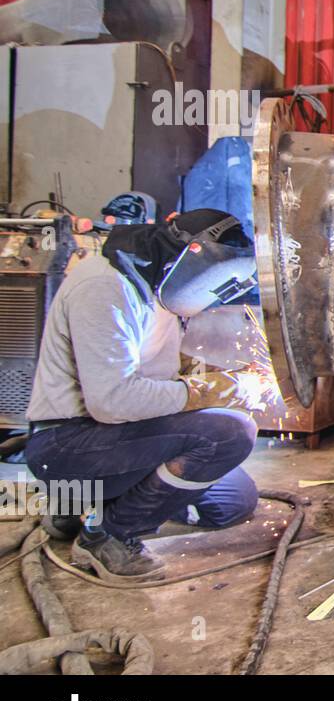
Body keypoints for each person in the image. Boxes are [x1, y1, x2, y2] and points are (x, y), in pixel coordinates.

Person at [25, 209, 261, 580]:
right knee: (231, 433)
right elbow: (113, 401)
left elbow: (156, 361)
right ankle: (106, 537)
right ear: (189, 257)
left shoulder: (159, 286)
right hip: (69, 443)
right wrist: (203, 393)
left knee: (233, 503)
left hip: (124, 438)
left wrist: (215, 376)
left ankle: (84, 504)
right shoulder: (104, 287)